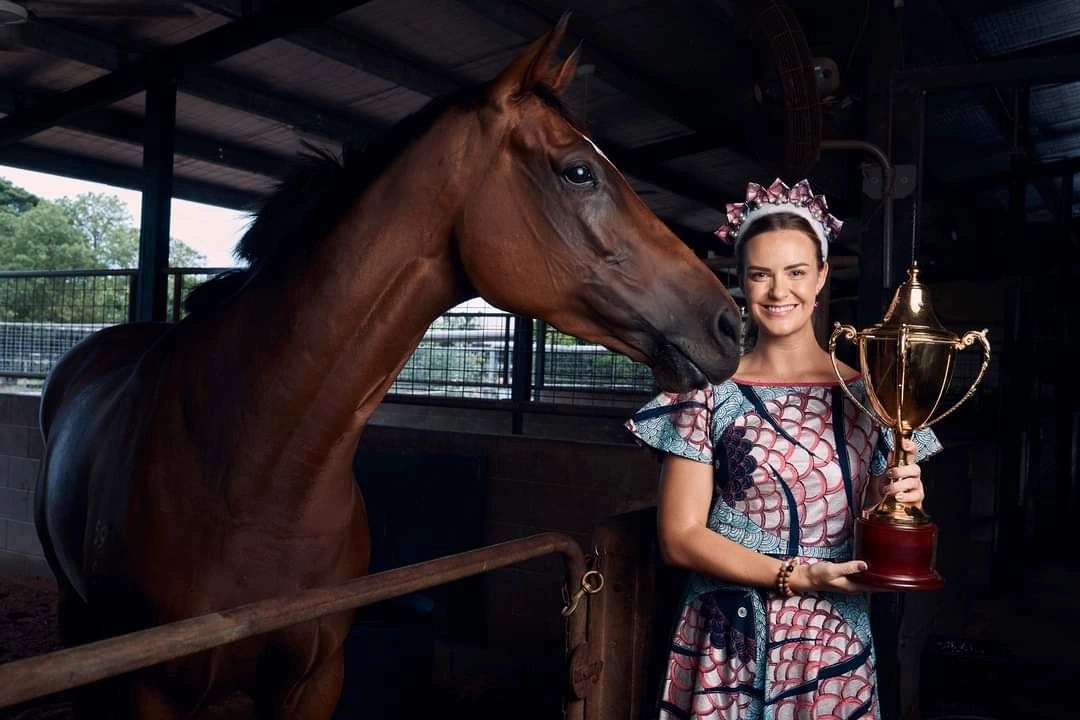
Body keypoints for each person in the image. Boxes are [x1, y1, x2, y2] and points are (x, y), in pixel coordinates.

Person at [625, 179, 942, 720]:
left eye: (795, 272)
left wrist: (901, 498)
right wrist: (797, 576)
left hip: (831, 639)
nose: (778, 292)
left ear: (821, 276)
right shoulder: (707, 392)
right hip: (726, 639)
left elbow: (871, 522)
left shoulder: (873, 396)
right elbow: (679, 538)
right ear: (742, 281)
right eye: (760, 274)